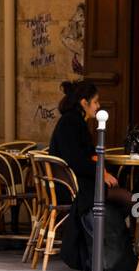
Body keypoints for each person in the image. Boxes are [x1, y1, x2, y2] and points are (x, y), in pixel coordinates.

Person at [48, 80, 132, 215]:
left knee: (125, 194)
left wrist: (103, 172)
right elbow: (76, 160)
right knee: (131, 199)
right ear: (84, 103)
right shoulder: (71, 122)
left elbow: (85, 155)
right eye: (95, 102)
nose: (98, 106)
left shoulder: (74, 121)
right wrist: (101, 174)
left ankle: (119, 231)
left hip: (74, 183)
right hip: (72, 187)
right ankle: (138, 231)